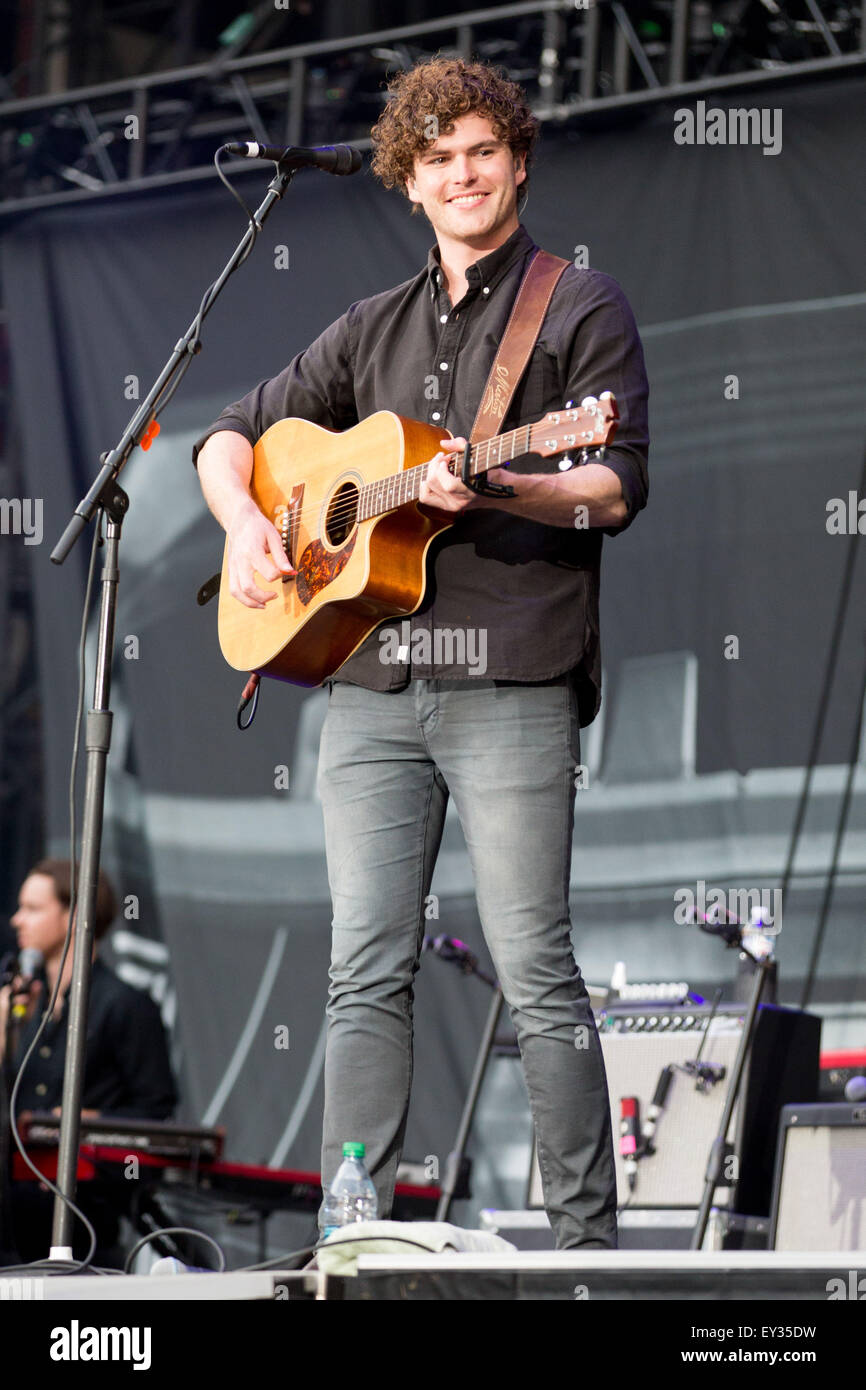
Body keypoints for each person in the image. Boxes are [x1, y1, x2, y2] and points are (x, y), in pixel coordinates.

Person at [194, 57, 649, 1249]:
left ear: (516, 161)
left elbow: (612, 481)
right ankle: (356, 1220)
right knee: (362, 969)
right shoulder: (368, 328)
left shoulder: (577, 305)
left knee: (532, 966)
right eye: (437, 157)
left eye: (481, 152)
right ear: (407, 179)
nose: (462, 174)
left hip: (509, 672)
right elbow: (228, 439)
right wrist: (250, 524)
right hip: (371, 685)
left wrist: (509, 479)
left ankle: (582, 1243)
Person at [1, 859, 177, 1262]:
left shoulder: (126, 1006)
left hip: (83, 1222)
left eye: (33, 908)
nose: (17, 920)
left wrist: (89, 1120)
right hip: (13, 1217)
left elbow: (158, 1113)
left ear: (74, 916)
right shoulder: (24, 1006)